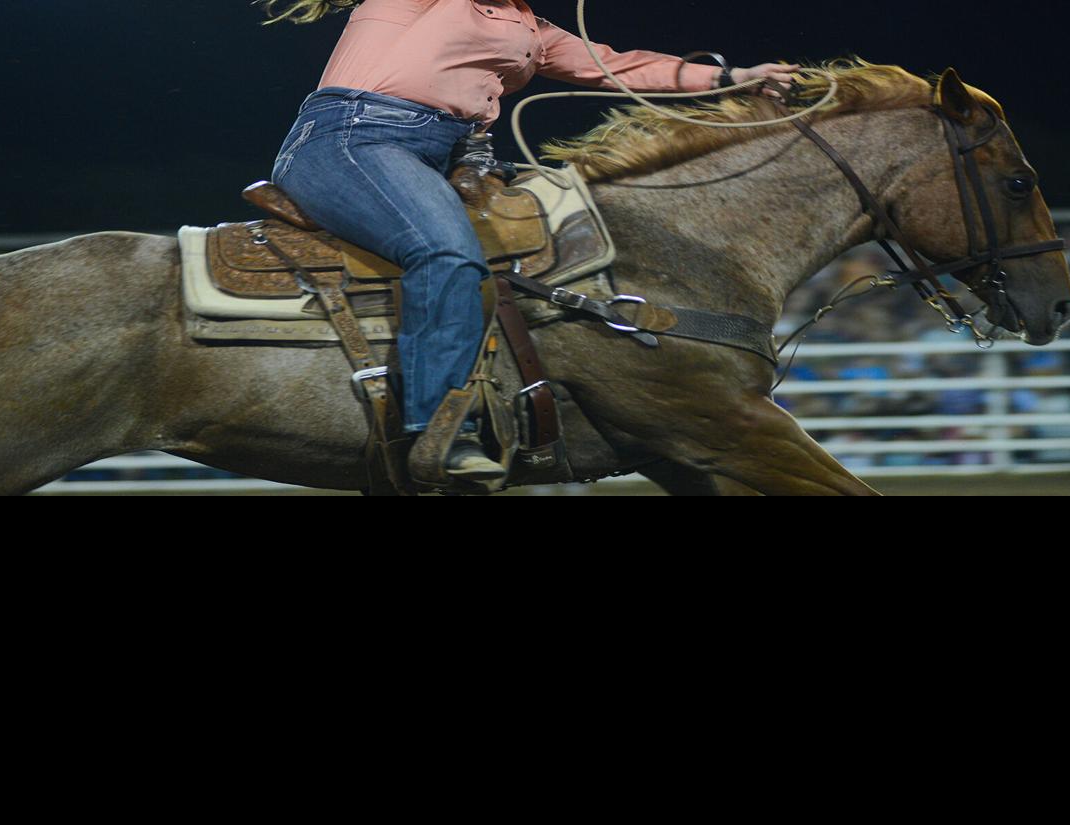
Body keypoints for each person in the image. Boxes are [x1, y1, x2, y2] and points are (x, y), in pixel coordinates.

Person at [260, 0, 800, 481]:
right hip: (353, 137)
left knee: (536, 260)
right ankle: (438, 426)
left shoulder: (531, 29)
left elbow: (617, 65)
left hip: (442, 154)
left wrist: (731, 77)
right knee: (446, 253)